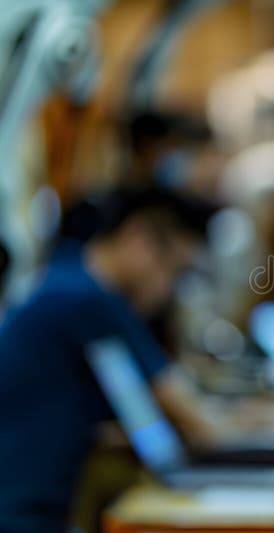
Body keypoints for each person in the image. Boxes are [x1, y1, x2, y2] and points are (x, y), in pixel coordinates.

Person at [0, 188, 222, 532]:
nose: (169, 291)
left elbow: (145, 426)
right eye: (173, 272)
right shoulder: (89, 299)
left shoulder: (65, 277)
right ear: (138, 239)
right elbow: (201, 427)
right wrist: (268, 428)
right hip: (26, 516)